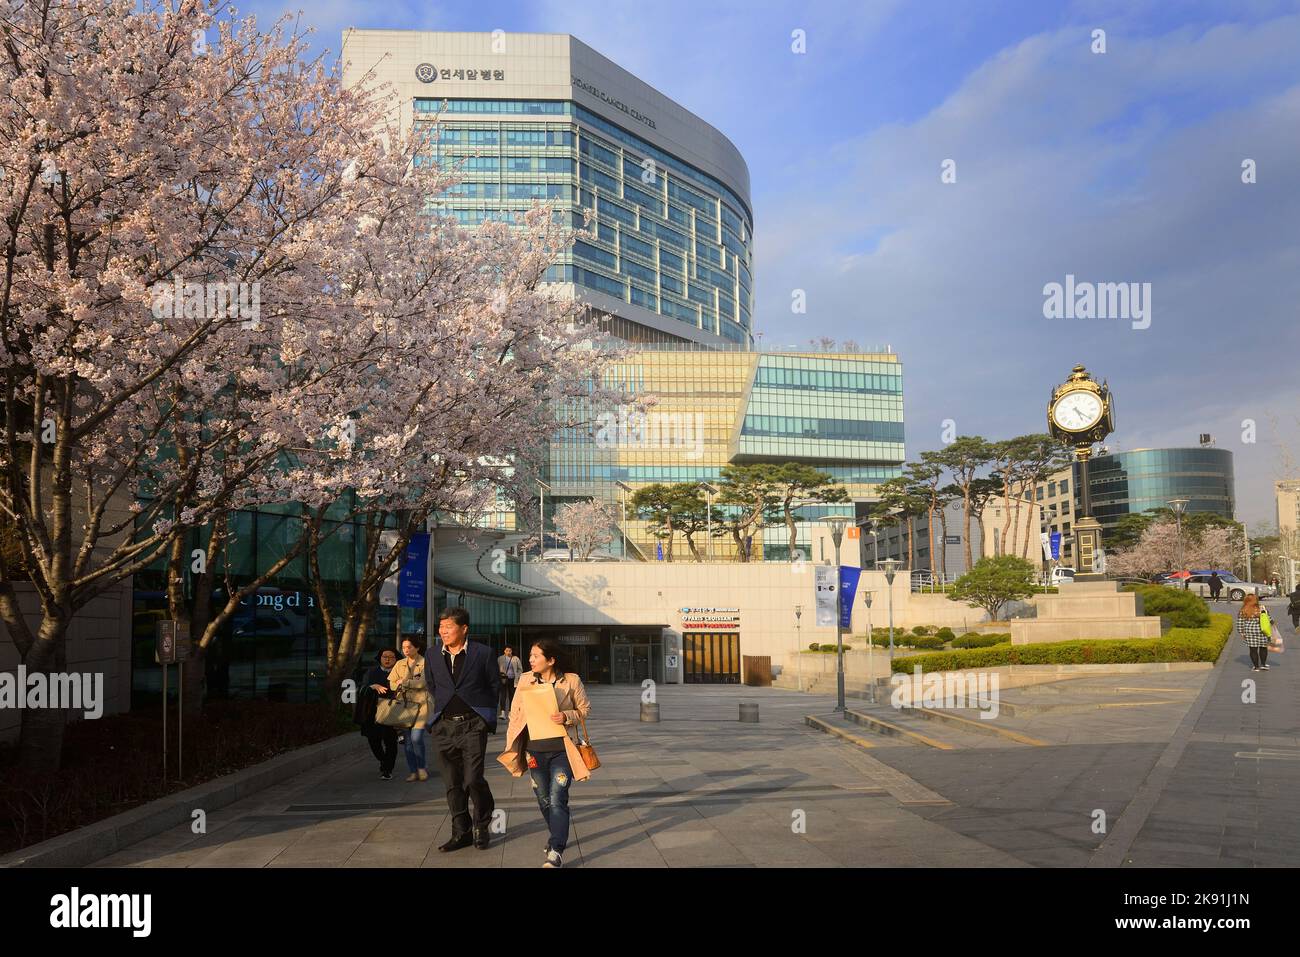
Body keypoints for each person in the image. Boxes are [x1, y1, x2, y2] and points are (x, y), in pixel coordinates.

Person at [497, 638, 593, 869]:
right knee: (543, 799)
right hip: (533, 751)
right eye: (530, 655)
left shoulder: (570, 680)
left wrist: (567, 716)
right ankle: (556, 837)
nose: (530, 660)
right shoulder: (525, 679)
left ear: (551, 660)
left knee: (558, 798)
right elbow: (516, 711)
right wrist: (511, 742)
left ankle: (556, 850)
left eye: (535, 656)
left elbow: (584, 709)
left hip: (561, 750)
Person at [427, 606, 499, 852]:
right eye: (441, 627)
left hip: (472, 726)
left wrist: (484, 718)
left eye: (448, 627)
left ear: (464, 628)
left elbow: (493, 687)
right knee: (452, 783)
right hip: (444, 727)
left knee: (472, 779)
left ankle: (481, 824)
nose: (443, 631)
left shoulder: (484, 653)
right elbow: (432, 686)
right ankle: (461, 832)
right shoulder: (433, 654)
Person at [388, 637, 432, 782]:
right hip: (404, 706)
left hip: (421, 705)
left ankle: (422, 768)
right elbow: (392, 684)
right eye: (404, 647)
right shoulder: (399, 664)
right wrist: (402, 684)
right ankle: (413, 771)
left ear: (417, 648)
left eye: (409, 647)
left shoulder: (425, 662)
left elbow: (424, 683)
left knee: (416, 738)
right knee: (407, 740)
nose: (406, 650)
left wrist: (405, 682)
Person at [356, 648, 399, 779]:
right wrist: (372, 687)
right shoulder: (371, 672)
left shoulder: (400, 672)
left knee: (391, 742)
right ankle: (383, 760)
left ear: (396, 659)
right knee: (373, 741)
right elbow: (361, 689)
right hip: (372, 713)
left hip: (393, 712)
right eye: (385, 656)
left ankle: (387, 769)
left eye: (391, 657)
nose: (387, 659)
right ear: (379, 658)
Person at [1237, 593, 1271, 672]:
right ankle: (1263, 664)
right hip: (1262, 630)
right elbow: (1268, 618)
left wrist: (1241, 632)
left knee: (1253, 649)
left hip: (1250, 631)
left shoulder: (1243, 610)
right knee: (1263, 647)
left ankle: (1256, 667)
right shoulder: (1262, 608)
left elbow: (1240, 622)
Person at [497, 645, 523, 719]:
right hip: (503, 680)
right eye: (507, 650)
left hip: (513, 679)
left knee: (512, 696)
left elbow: (520, 669)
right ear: (504, 651)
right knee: (503, 696)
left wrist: (517, 676)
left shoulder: (515, 659)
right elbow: (496, 668)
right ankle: (502, 713)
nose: (508, 652)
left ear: (512, 651)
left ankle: (510, 712)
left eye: (510, 651)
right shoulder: (500, 659)